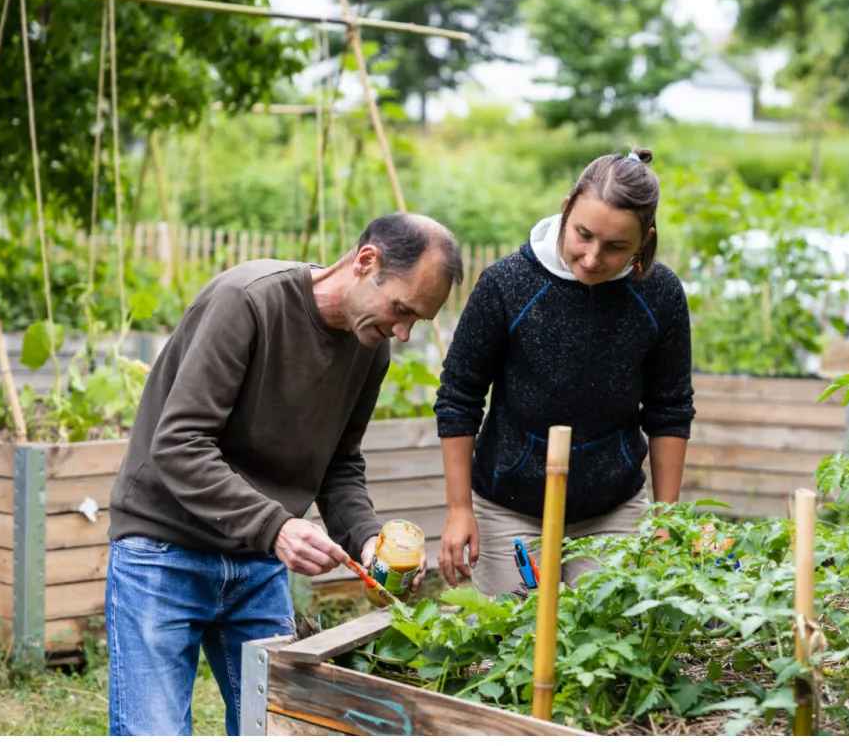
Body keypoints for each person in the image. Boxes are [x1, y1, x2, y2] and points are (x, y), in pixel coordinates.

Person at [104, 212, 463, 736]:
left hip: (257, 562)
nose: (403, 332)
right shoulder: (247, 302)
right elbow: (179, 444)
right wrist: (276, 528)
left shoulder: (370, 347)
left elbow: (340, 462)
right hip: (165, 547)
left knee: (280, 729)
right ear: (367, 262)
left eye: (417, 322)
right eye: (402, 310)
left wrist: (368, 539)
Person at [434, 148, 695, 598]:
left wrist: (664, 520)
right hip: (509, 507)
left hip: (613, 510)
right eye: (583, 235)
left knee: (611, 632)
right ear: (566, 208)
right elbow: (459, 396)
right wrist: (460, 509)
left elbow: (669, 409)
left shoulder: (660, 294)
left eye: (616, 247)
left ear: (644, 240)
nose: (592, 257)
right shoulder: (507, 284)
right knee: (511, 634)